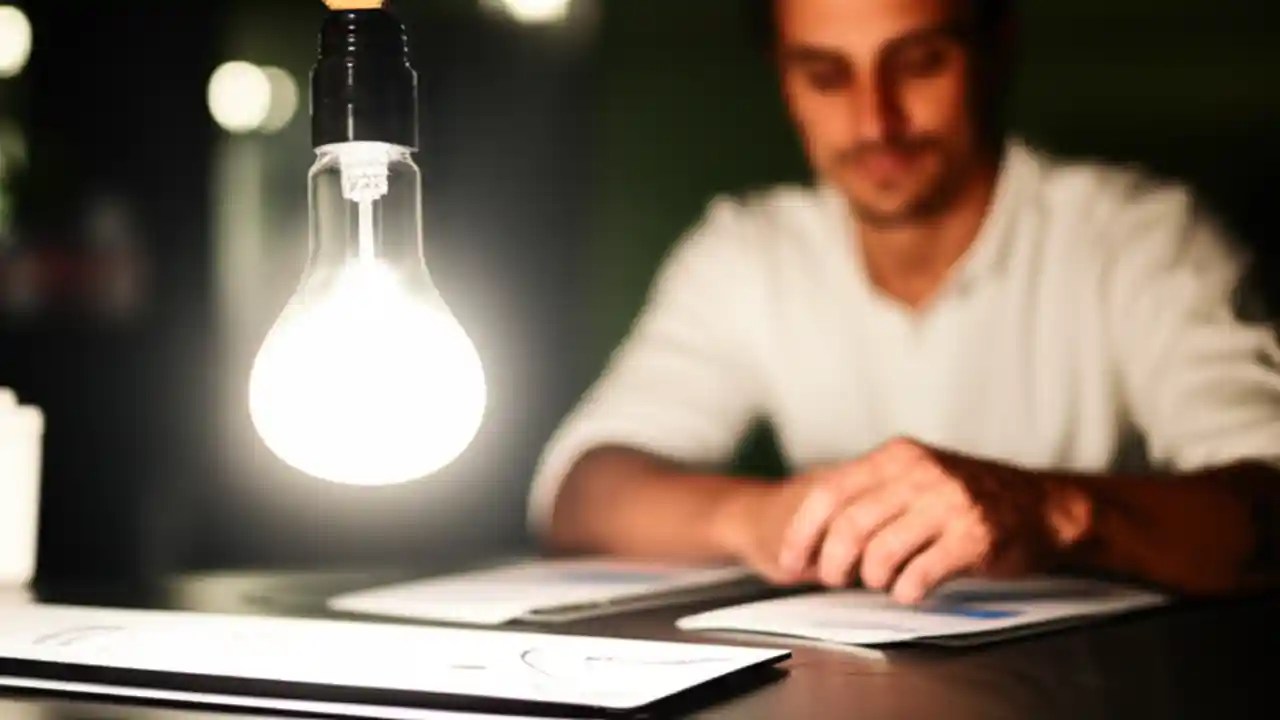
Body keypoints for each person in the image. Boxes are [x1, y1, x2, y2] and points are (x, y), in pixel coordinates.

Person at [528, 0, 1280, 603]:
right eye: (826, 75)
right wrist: (765, 517)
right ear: (782, 78)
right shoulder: (749, 250)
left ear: (996, 47)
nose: (876, 121)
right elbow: (580, 494)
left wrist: (1051, 509)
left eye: (919, 62)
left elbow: (1268, 505)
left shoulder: (1142, 238)